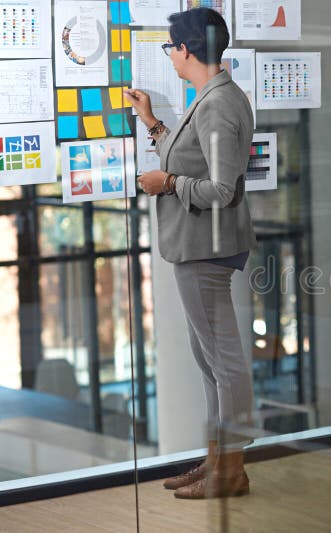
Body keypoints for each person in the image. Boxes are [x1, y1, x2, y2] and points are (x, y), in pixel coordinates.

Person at [123, 7, 256, 500]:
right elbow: (197, 157)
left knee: (225, 362)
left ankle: (231, 470)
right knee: (209, 360)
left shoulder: (219, 103)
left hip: (206, 248)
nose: (170, 57)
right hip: (201, 244)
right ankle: (218, 461)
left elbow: (222, 188)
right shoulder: (211, 98)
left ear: (185, 49)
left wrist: (168, 182)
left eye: (170, 48)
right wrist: (154, 124)